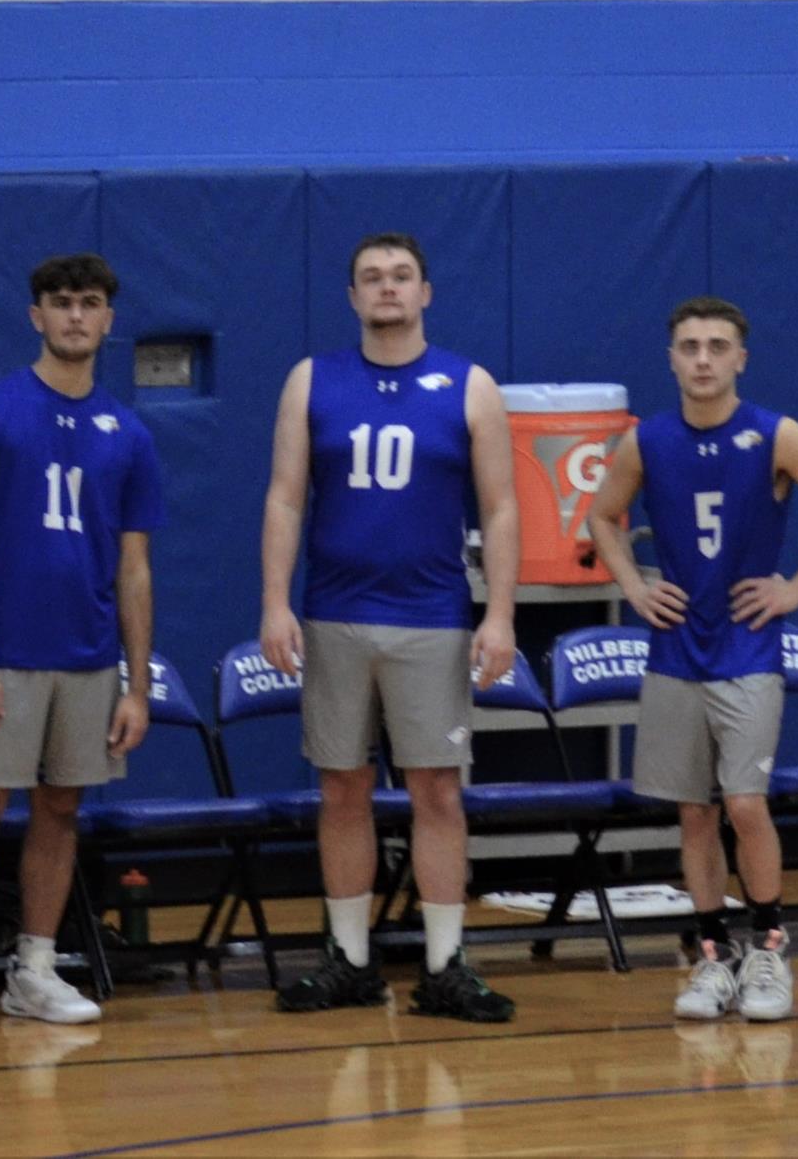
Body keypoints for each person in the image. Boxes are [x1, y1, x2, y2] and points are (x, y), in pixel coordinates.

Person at [0, 254, 164, 1030]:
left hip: (87, 657)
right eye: (60, 302)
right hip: (4, 658)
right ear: (34, 315)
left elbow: (136, 569)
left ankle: (35, 966)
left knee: (60, 809)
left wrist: (135, 683)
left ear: (109, 319)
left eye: (90, 303)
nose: (76, 315)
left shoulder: (129, 433)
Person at [588, 296, 798, 1022]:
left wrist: (796, 586)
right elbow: (600, 514)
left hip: (747, 645)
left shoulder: (773, 434)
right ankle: (714, 957)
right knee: (692, 812)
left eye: (718, 345)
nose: (704, 358)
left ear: (741, 357)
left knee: (744, 802)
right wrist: (633, 585)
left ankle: (770, 947)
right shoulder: (647, 440)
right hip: (676, 647)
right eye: (690, 346)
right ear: (671, 358)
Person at [260, 231, 519, 1023]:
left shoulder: (470, 384)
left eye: (402, 276)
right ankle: (350, 959)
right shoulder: (312, 380)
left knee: (437, 790)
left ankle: (445, 965)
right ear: (351, 296)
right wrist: (275, 602)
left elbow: (503, 506)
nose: (387, 288)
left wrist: (499, 613)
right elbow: (284, 497)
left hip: (433, 617)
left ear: (426, 292)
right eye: (371, 276)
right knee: (342, 786)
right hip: (335, 613)